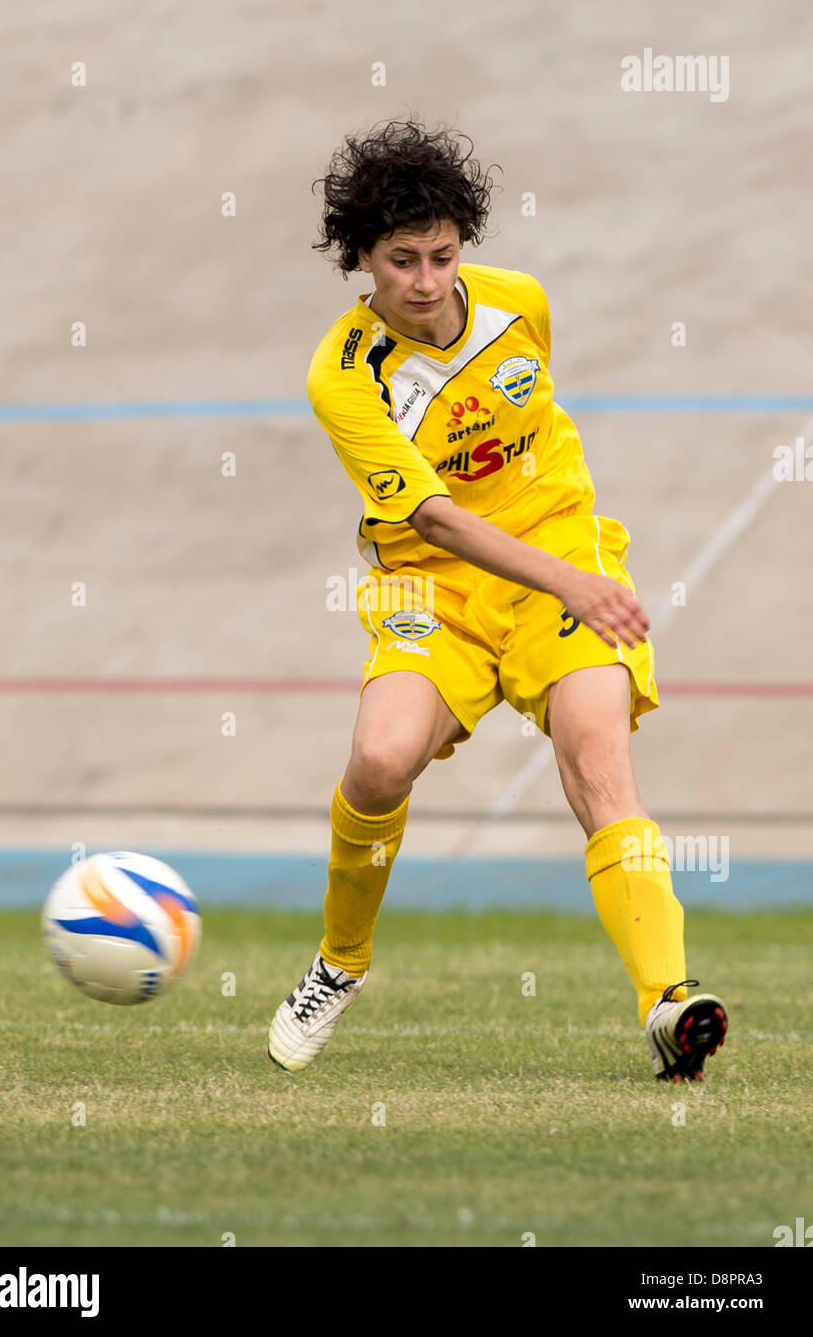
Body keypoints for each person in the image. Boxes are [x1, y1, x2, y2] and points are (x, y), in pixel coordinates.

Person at [267, 118, 727, 1083]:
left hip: (559, 552)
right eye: (403, 261)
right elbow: (434, 521)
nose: (428, 281)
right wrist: (576, 586)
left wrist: (568, 570)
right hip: (433, 585)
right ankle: (338, 965)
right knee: (380, 760)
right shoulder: (342, 377)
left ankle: (667, 1002)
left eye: (442, 255)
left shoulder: (520, 305)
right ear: (361, 261)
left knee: (596, 757)